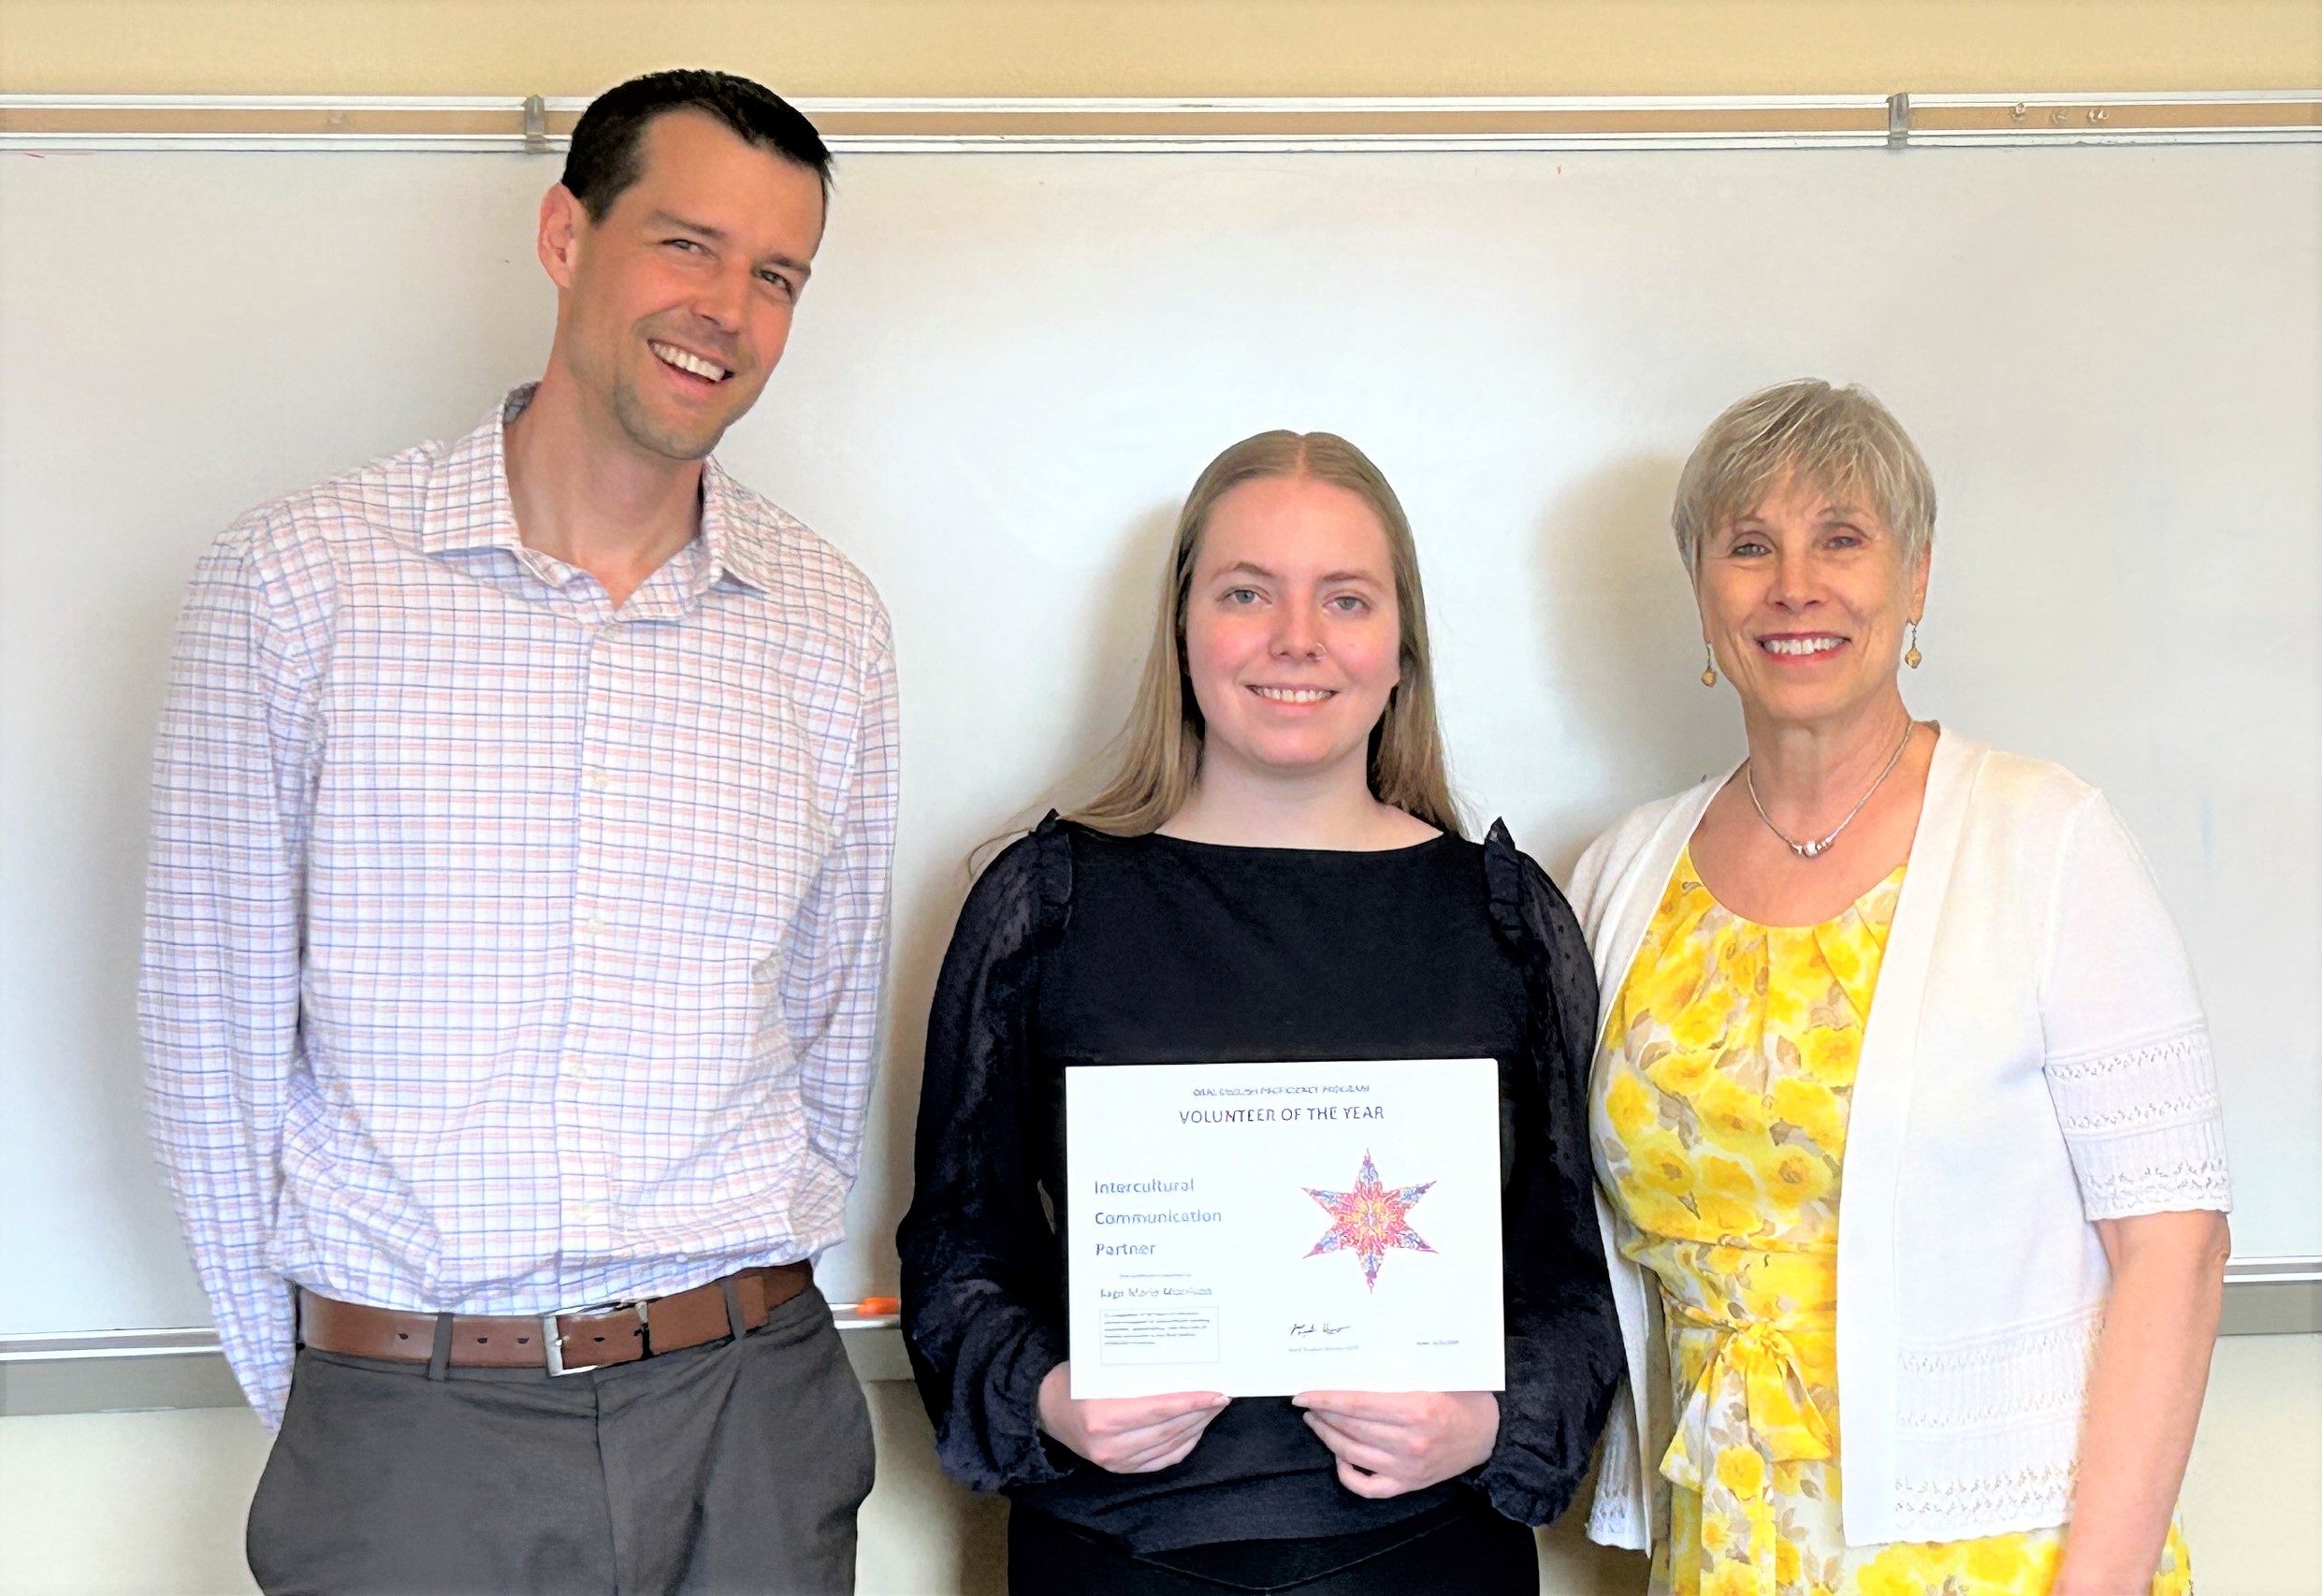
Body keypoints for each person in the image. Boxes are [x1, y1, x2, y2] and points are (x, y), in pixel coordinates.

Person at [140, 70, 895, 1594]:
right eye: (685, 244)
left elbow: (833, 1026)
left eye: (776, 275)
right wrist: (347, 1405)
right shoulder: (300, 587)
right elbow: (206, 1038)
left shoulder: (828, 623)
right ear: (565, 235)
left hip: (748, 1411)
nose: (726, 311)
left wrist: (757, 1351)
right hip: (412, 1432)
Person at [897, 430, 1622, 1595]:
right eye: (1247, 592)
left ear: (1401, 648)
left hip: (1426, 1560)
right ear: (1183, 628)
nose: (1297, 640)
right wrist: (1045, 1393)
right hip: (1111, 1559)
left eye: (1345, 598)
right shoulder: (1043, 902)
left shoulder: (1502, 917)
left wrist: (1489, 1424)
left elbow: (1576, 1273)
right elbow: (955, 1245)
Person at [1574, 380, 2231, 1594]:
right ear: (1701, 592)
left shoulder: (2042, 840)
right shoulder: (1623, 874)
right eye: (1748, 546)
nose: (1793, 585)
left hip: (2000, 1552)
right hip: (1722, 1542)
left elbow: (2173, 1247)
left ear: (1914, 579)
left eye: (1841, 537)